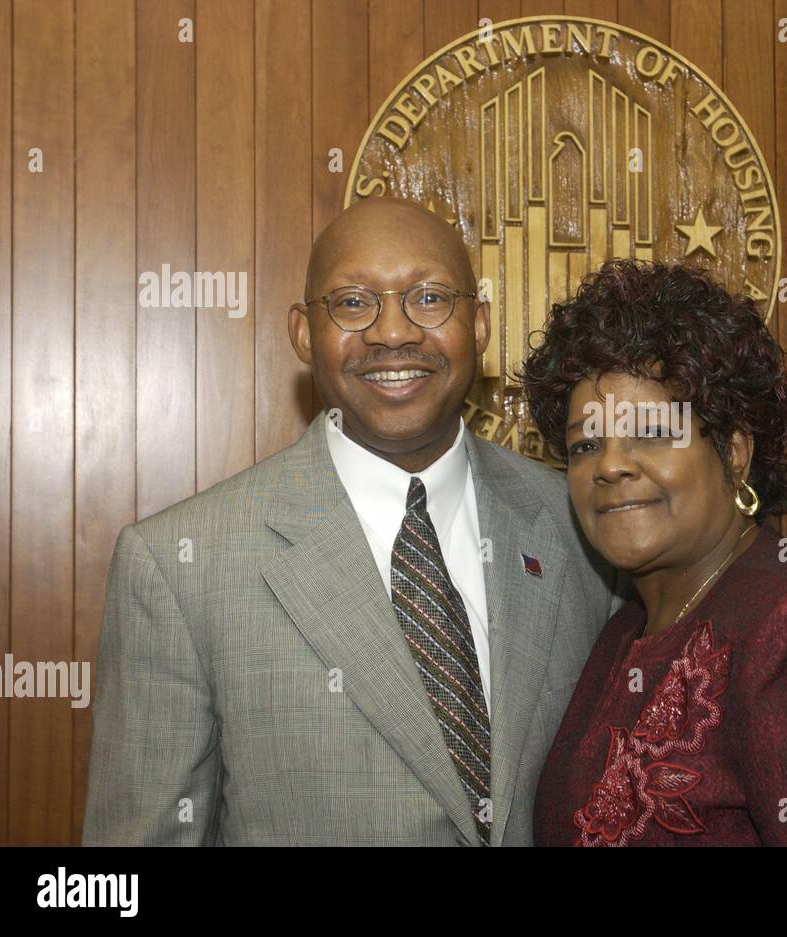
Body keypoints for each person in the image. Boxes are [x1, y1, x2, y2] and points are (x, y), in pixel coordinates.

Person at [82, 197, 621, 846]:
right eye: (353, 302)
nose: (393, 331)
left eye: (428, 298)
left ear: (478, 325)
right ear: (304, 333)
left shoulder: (583, 526)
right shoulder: (179, 566)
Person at [520, 260, 787, 846]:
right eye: (586, 444)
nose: (610, 465)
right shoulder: (620, 634)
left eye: (650, 433)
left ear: (734, 452)